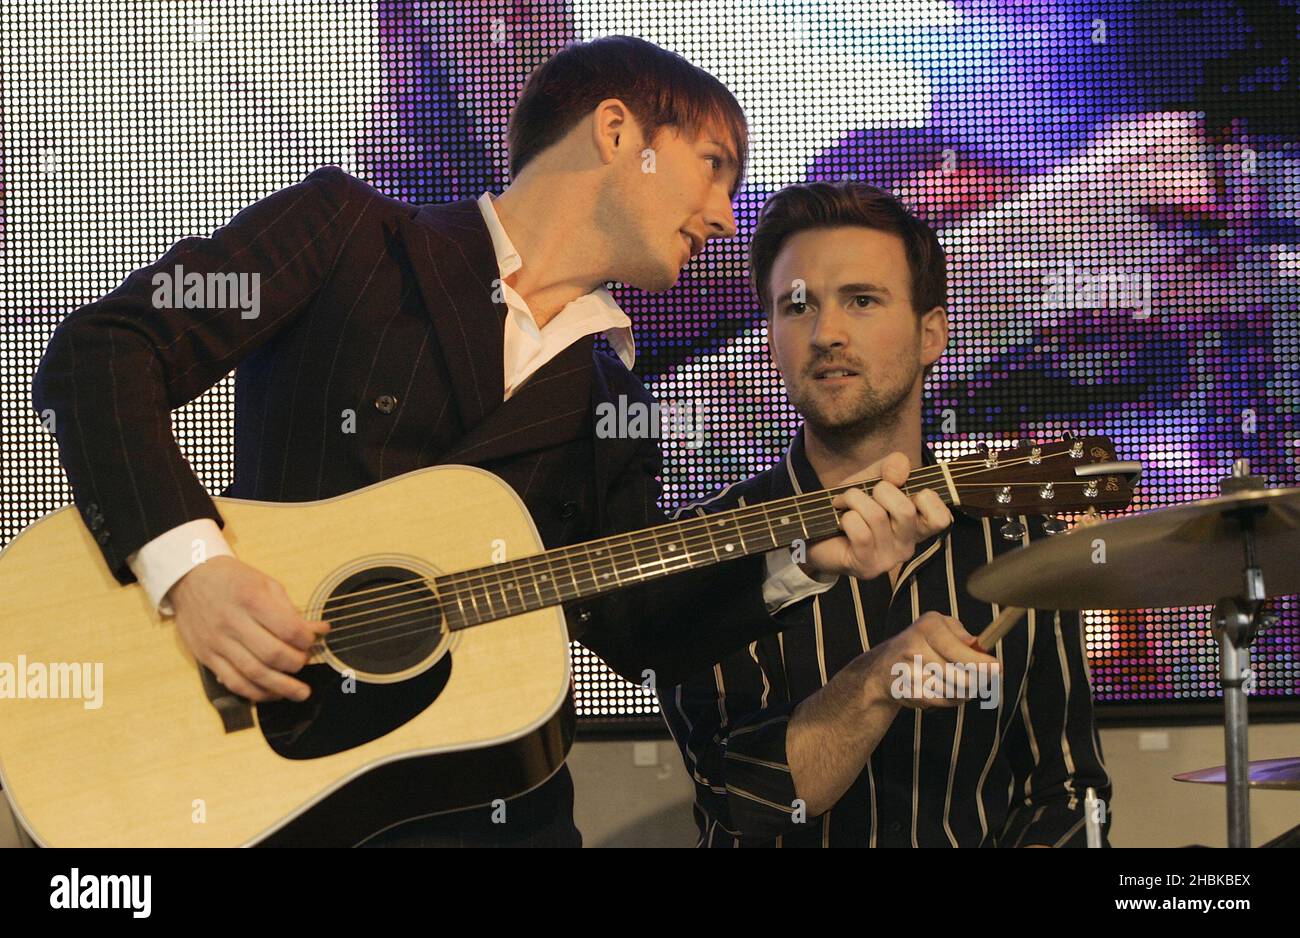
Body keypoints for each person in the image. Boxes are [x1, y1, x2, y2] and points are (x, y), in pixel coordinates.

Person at [31, 37, 945, 847]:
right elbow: (106, 354)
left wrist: (797, 555)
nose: (725, 218)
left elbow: (633, 625)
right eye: (714, 166)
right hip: (265, 780)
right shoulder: (350, 233)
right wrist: (193, 572)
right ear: (618, 131)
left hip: (485, 808)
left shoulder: (614, 396)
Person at [658, 180, 1112, 847]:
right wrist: (875, 681)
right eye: (796, 306)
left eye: (862, 301)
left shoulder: (1023, 541)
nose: (826, 333)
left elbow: (1069, 791)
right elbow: (741, 799)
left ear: (932, 333)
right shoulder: (706, 543)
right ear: (771, 337)